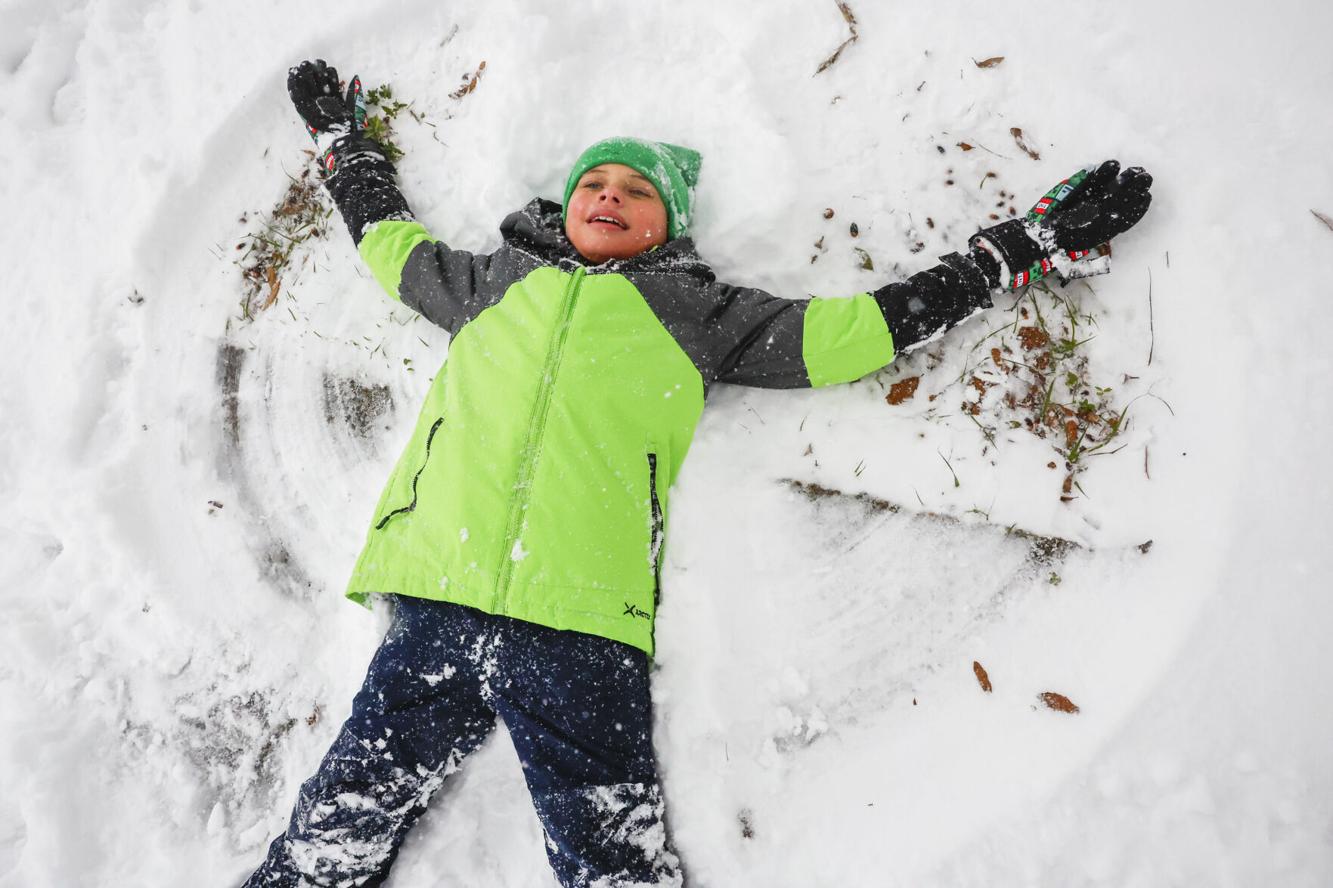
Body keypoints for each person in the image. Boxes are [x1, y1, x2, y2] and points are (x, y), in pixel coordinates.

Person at [245, 60, 1154, 888]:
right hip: (438, 589)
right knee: (337, 820)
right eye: (592, 183)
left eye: (635, 191)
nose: (609, 195)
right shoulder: (489, 283)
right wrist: (344, 147)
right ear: (560, 207)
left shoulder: (698, 313)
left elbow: (852, 335)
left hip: (581, 619)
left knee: (611, 854)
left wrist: (1014, 248)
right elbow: (387, 244)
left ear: (667, 225)